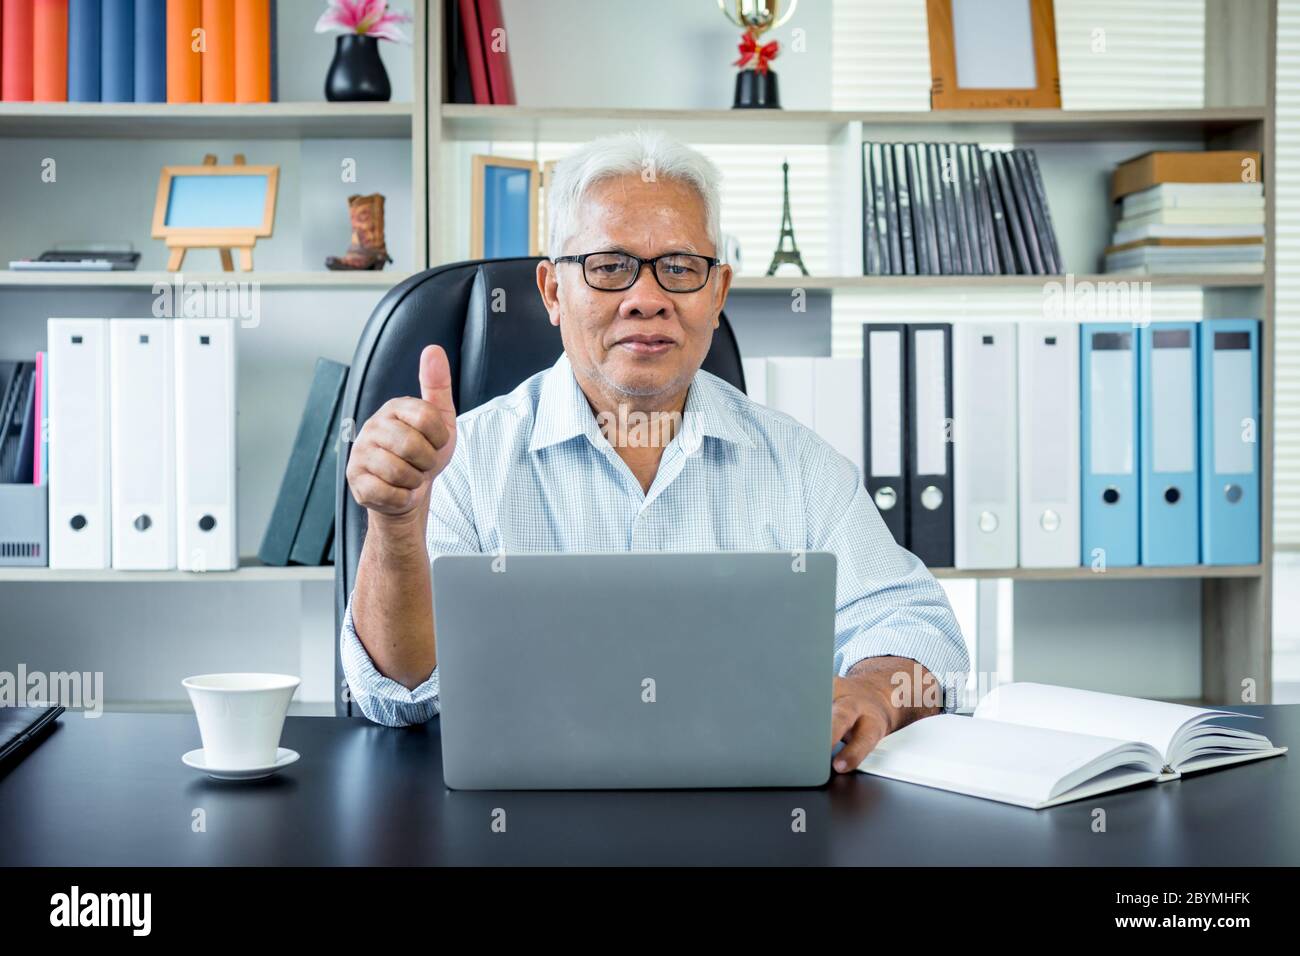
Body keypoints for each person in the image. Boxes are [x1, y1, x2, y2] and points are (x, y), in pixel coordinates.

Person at [340, 130, 969, 773]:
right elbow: (396, 694)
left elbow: (923, 632)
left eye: (679, 267)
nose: (647, 298)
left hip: (748, 824)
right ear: (553, 293)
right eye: (609, 266)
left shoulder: (802, 466)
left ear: (717, 293)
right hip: (515, 823)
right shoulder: (464, 461)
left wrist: (873, 692)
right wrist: (395, 526)